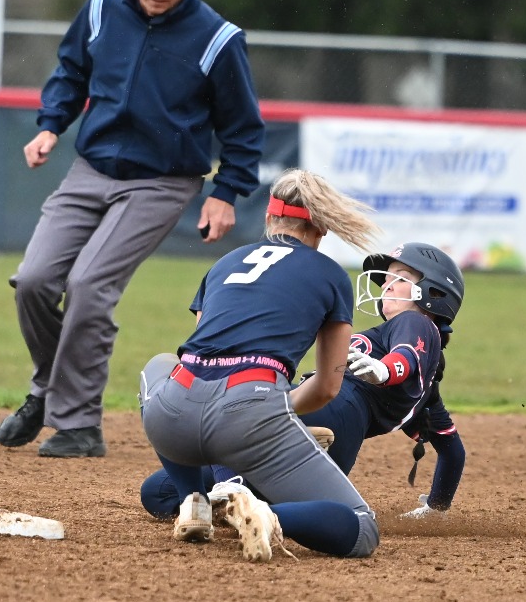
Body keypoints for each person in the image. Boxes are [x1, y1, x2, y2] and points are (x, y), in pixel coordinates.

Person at [0, 0, 266, 458]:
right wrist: (51, 125)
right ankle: (48, 391)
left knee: (90, 285)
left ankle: (79, 425)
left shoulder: (216, 38)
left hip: (162, 180)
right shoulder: (101, 8)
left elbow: (242, 126)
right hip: (91, 168)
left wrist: (226, 192)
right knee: (33, 281)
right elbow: (71, 72)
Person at [137, 169, 388, 562]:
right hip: (250, 413)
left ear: (270, 217)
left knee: (159, 365)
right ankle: (267, 515)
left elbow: (203, 356)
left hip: (172, 416)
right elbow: (327, 388)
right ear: (322, 227)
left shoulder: (225, 263)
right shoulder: (331, 274)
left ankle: (193, 501)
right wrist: (280, 414)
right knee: (363, 528)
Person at [137, 241, 468, 522]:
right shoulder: (426, 391)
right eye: (388, 278)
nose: (387, 285)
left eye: (401, 277)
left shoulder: (417, 322)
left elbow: (407, 356)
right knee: (158, 493)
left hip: (333, 410)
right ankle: (257, 495)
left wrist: (383, 370)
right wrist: (436, 509)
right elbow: (452, 452)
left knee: (226, 415)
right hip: (326, 420)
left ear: (434, 293)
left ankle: (238, 486)